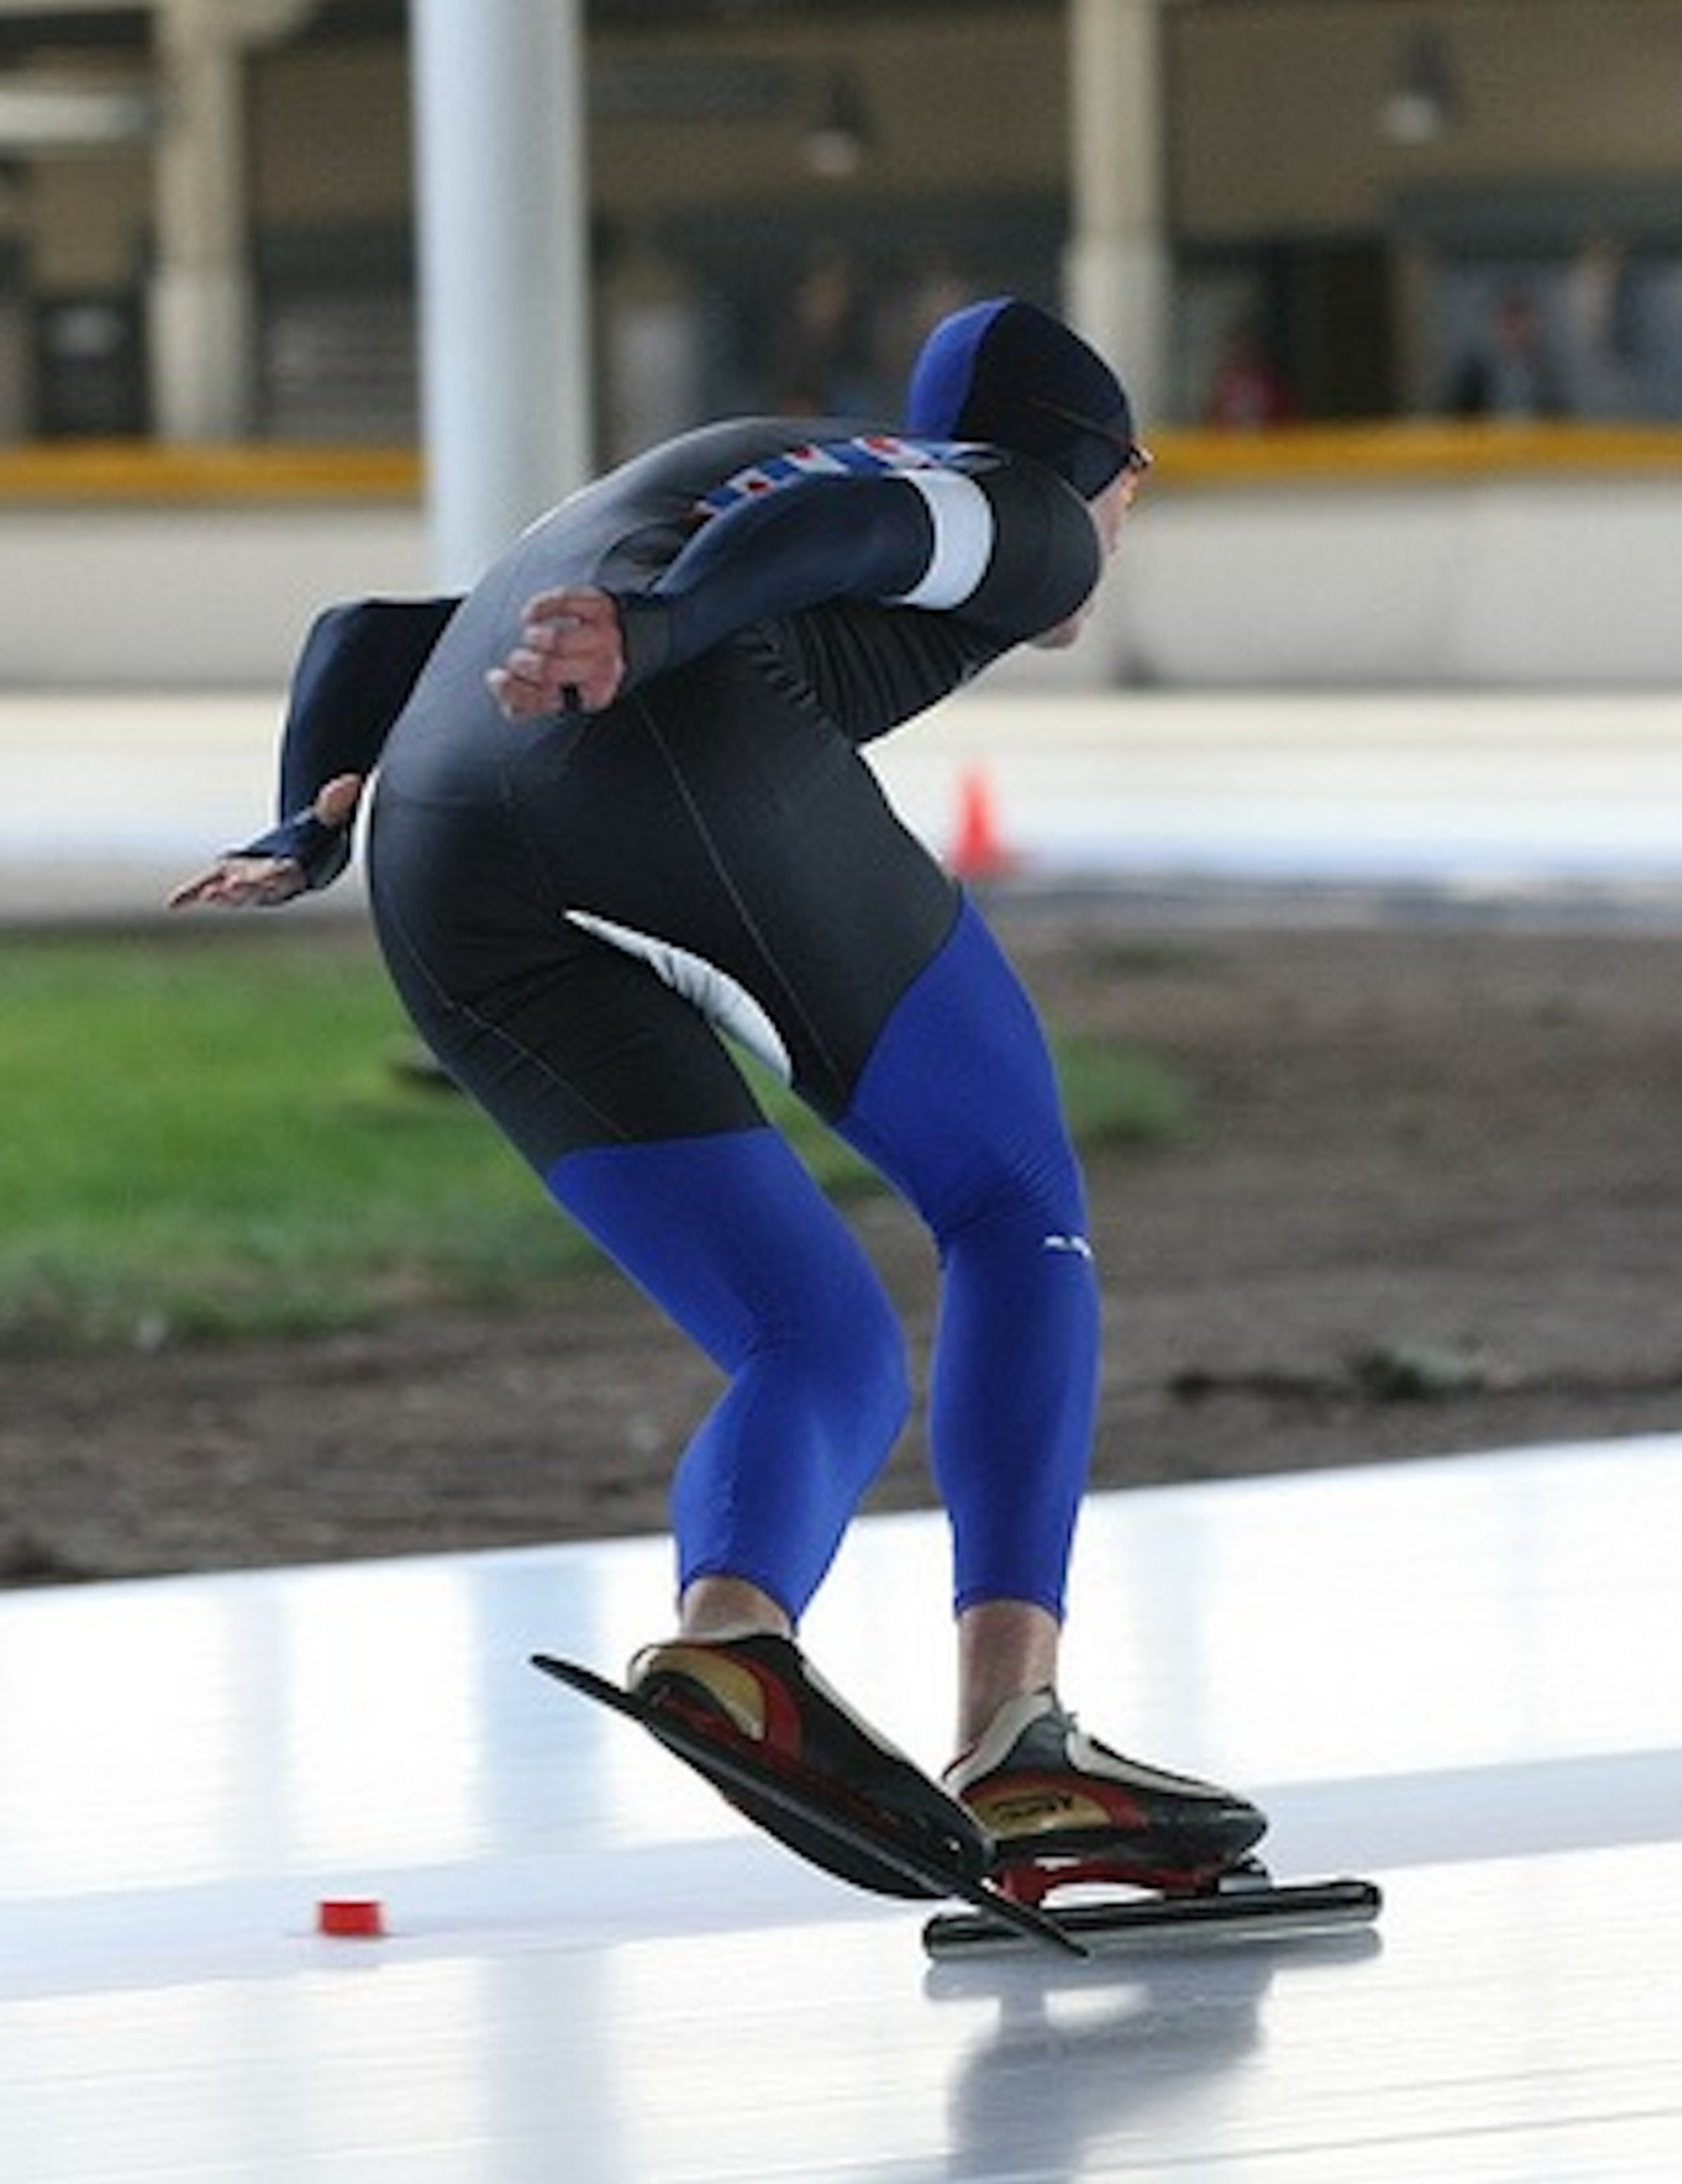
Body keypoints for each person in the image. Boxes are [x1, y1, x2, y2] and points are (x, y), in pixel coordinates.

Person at [172, 297, 1266, 1899]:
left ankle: (733, 1640)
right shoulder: (1027, 513)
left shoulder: (720, 459)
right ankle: (1015, 1737)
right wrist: (660, 640)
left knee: (811, 1337)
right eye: (1134, 488)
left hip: (438, 851)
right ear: (1115, 463)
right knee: (1010, 1203)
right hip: (677, 740)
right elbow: (869, 519)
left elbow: (367, 628)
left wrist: (303, 818)